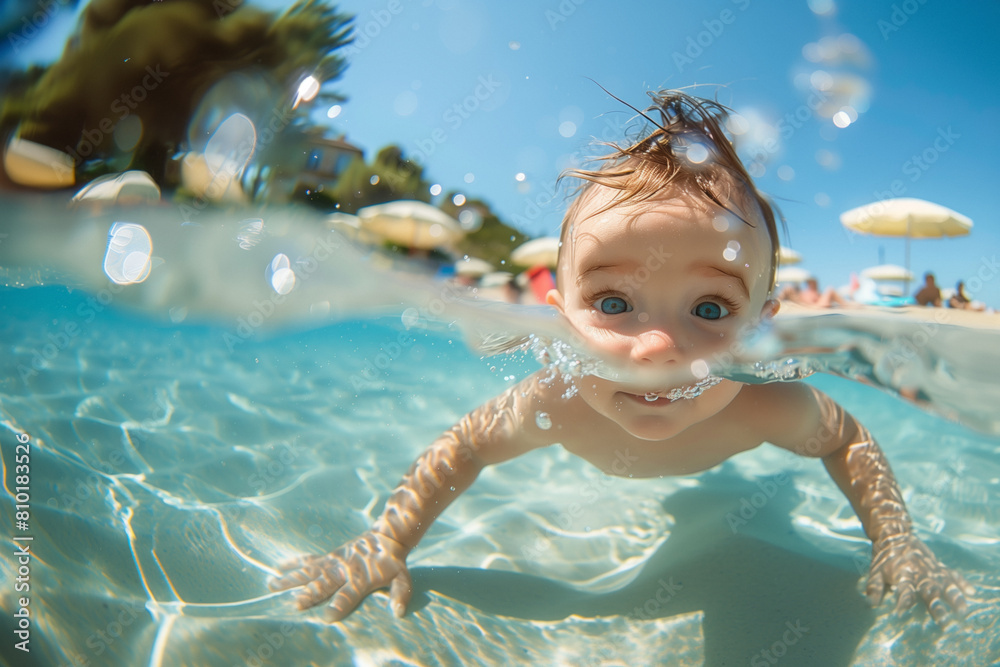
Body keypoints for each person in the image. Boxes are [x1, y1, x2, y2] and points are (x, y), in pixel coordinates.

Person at [270, 91, 970, 624]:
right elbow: (463, 448)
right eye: (611, 304)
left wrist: (897, 542)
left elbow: (849, 438)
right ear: (559, 318)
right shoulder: (555, 401)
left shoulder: (765, 403)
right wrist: (385, 541)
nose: (659, 349)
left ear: (763, 332)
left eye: (710, 309)